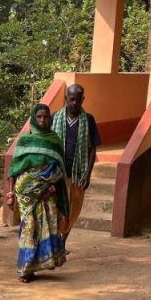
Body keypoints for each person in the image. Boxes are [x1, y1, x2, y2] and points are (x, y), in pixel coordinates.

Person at [5, 103, 69, 284]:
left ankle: (35, 267)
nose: (42, 120)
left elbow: (60, 170)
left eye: (46, 117)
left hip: (48, 192)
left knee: (45, 227)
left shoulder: (55, 141)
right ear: (34, 118)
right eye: (39, 117)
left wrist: (52, 186)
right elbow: (14, 169)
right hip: (26, 193)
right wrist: (10, 194)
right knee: (29, 227)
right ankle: (25, 269)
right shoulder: (25, 140)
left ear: (50, 119)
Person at [52, 84, 102, 243]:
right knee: (56, 209)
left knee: (73, 211)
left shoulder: (88, 120)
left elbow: (93, 148)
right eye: (72, 99)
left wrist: (87, 174)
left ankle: (62, 243)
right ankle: (55, 242)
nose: (75, 103)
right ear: (66, 98)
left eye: (78, 100)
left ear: (83, 100)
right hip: (57, 174)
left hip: (78, 175)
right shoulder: (54, 118)